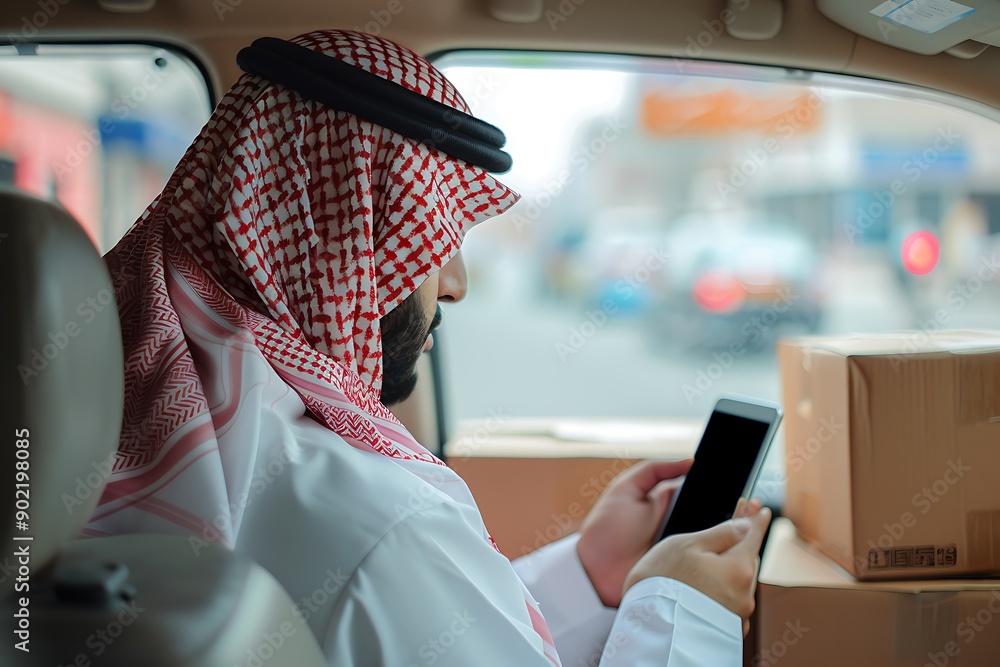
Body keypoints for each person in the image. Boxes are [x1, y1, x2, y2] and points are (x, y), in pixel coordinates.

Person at [86, 29, 771, 666]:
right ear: (337, 235)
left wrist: (587, 574)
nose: (456, 283)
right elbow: (393, 589)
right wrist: (685, 608)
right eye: (434, 238)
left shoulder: (117, 406)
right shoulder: (377, 523)